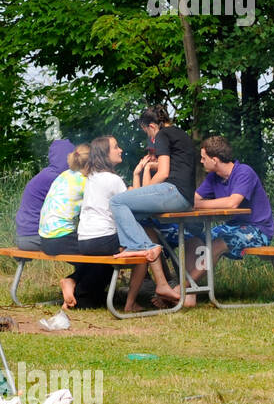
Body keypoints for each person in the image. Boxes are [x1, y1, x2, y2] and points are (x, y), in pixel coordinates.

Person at [107, 105, 192, 305]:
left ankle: (141, 248)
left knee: (118, 201)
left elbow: (163, 173)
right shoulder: (181, 134)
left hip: (173, 191)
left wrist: (138, 193)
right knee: (134, 216)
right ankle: (161, 280)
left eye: (147, 132)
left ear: (152, 126)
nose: (150, 138)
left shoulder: (162, 135)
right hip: (185, 196)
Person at [176, 135, 274, 306]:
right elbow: (192, 200)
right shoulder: (213, 177)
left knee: (218, 244)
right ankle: (191, 294)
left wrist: (201, 204)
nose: (201, 161)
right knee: (194, 240)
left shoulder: (244, 172)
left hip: (258, 231)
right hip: (232, 227)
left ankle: (181, 289)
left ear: (214, 160)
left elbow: (232, 203)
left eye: (203, 158)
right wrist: (195, 202)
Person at [72, 136, 151, 312]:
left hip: (84, 240)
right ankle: (131, 304)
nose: (120, 150)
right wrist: (138, 174)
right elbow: (135, 204)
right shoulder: (112, 179)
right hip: (103, 239)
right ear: (104, 155)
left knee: (136, 246)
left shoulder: (92, 177)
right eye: (115, 147)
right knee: (144, 251)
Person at [37, 144, 89, 303]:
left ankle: (75, 285)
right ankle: (74, 284)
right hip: (61, 238)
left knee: (91, 252)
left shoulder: (64, 175)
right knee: (99, 251)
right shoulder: (85, 181)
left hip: (45, 239)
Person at [14, 138, 75, 251]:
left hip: (24, 236)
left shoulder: (47, 174)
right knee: (87, 245)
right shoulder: (58, 178)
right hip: (37, 236)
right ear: (67, 157)